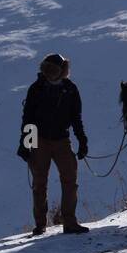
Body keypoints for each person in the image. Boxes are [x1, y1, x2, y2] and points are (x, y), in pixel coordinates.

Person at [18, 53, 90, 235]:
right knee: (40, 183)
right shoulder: (37, 89)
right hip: (41, 140)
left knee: (68, 181)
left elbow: (76, 118)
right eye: (47, 69)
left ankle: (69, 222)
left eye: (54, 69)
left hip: (60, 140)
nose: (50, 73)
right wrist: (27, 144)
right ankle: (41, 224)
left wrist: (82, 140)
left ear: (62, 71)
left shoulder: (70, 89)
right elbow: (29, 118)